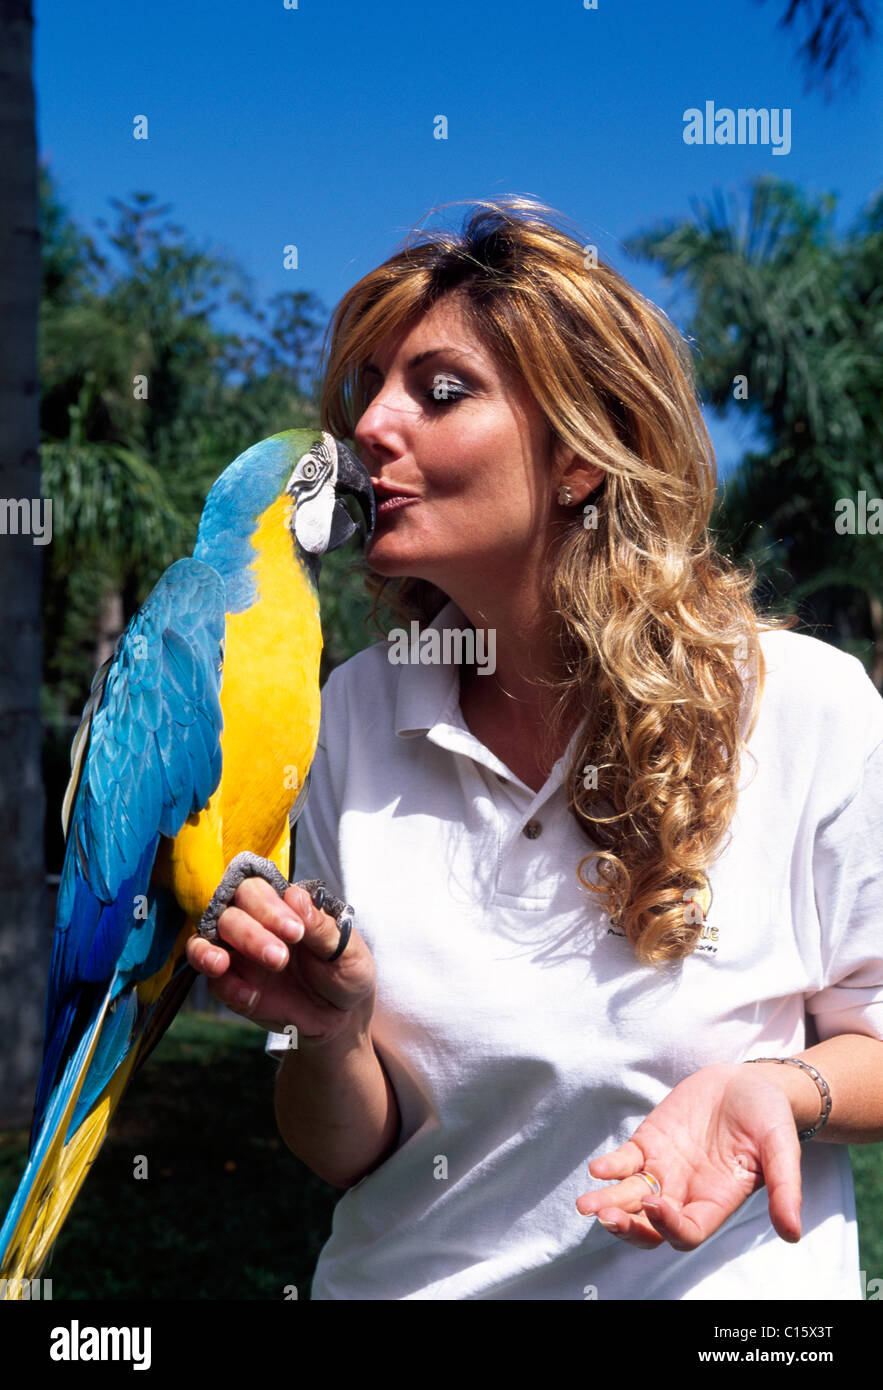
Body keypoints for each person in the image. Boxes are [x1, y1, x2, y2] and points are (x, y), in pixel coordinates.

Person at [186, 197, 883, 1301]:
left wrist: (780, 1089)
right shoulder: (348, 714)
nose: (371, 427)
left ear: (579, 458)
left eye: (440, 391)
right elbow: (348, 1151)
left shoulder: (805, 706)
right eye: (369, 390)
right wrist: (330, 1034)